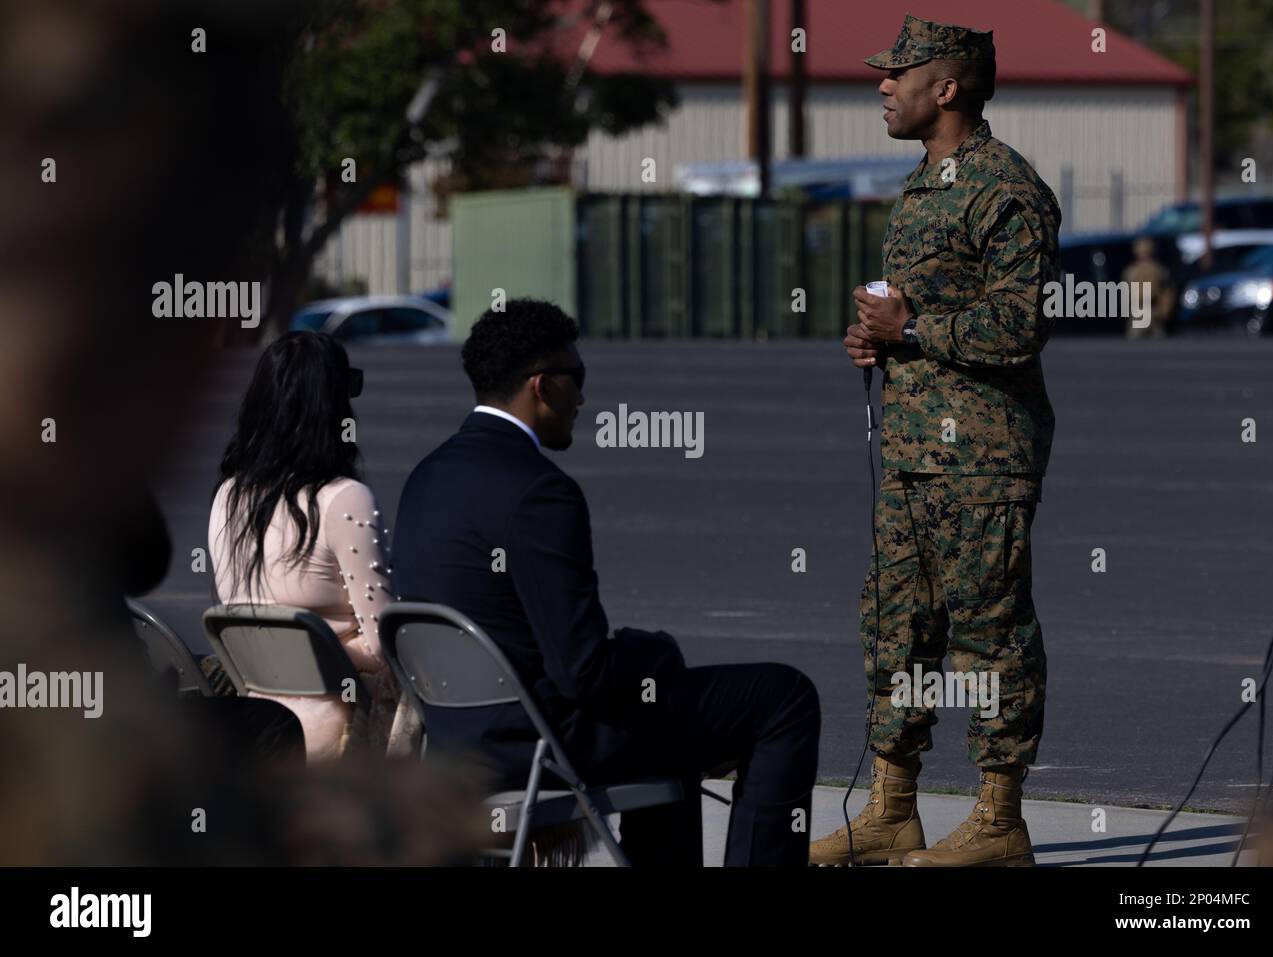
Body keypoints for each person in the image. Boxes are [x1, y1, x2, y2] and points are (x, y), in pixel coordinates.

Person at [391, 298, 821, 866]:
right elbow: (583, 673)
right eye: (577, 378)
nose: (584, 397)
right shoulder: (540, 491)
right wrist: (659, 654)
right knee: (783, 697)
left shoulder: (424, 478)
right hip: (541, 743)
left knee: (667, 723)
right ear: (541, 386)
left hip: (459, 743)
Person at [825, 15, 1057, 867]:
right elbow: (928, 322)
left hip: (982, 457)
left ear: (947, 87)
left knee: (989, 633)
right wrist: (883, 340)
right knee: (897, 624)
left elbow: (1021, 322)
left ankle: (999, 824)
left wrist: (914, 324)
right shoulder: (925, 182)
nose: (883, 86)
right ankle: (892, 807)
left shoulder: (1005, 188)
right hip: (914, 450)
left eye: (899, 74)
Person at [208, 331, 420, 761]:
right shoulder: (343, 499)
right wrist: (321, 647)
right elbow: (385, 645)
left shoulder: (227, 495)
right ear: (333, 407)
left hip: (253, 719)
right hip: (334, 728)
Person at [1122, 236, 1176, 338]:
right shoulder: (1131, 271)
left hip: (1154, 312)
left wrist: (1163, 311)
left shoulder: (1159, 270)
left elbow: (1167, 293)